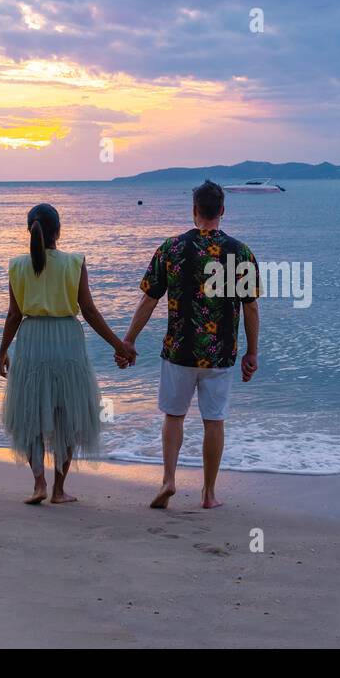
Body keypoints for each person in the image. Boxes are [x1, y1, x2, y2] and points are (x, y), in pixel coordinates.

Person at [120, 180, 259, 509]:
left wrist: (128, 340)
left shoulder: (172, 248)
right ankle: (208, 494)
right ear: (222, 211)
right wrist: (252, 352)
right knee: (214, 420)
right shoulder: (240, 252)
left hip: (179, 350)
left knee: (174, 416)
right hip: (221, 354)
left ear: (194, 210)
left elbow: (149, 300)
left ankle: (169, 479)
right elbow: (251, 306)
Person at [0, 203, 136, 505]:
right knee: (68, 413)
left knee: (30, 412)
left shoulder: (17, 265)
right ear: (58, 231)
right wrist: (118, 345)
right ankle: (59, 490)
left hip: (32, 338)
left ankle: (38, 484)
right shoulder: (74, 262)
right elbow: (88, 310)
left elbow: (13, 315)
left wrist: (3, 350)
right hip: (67, 340)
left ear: (29, 230)